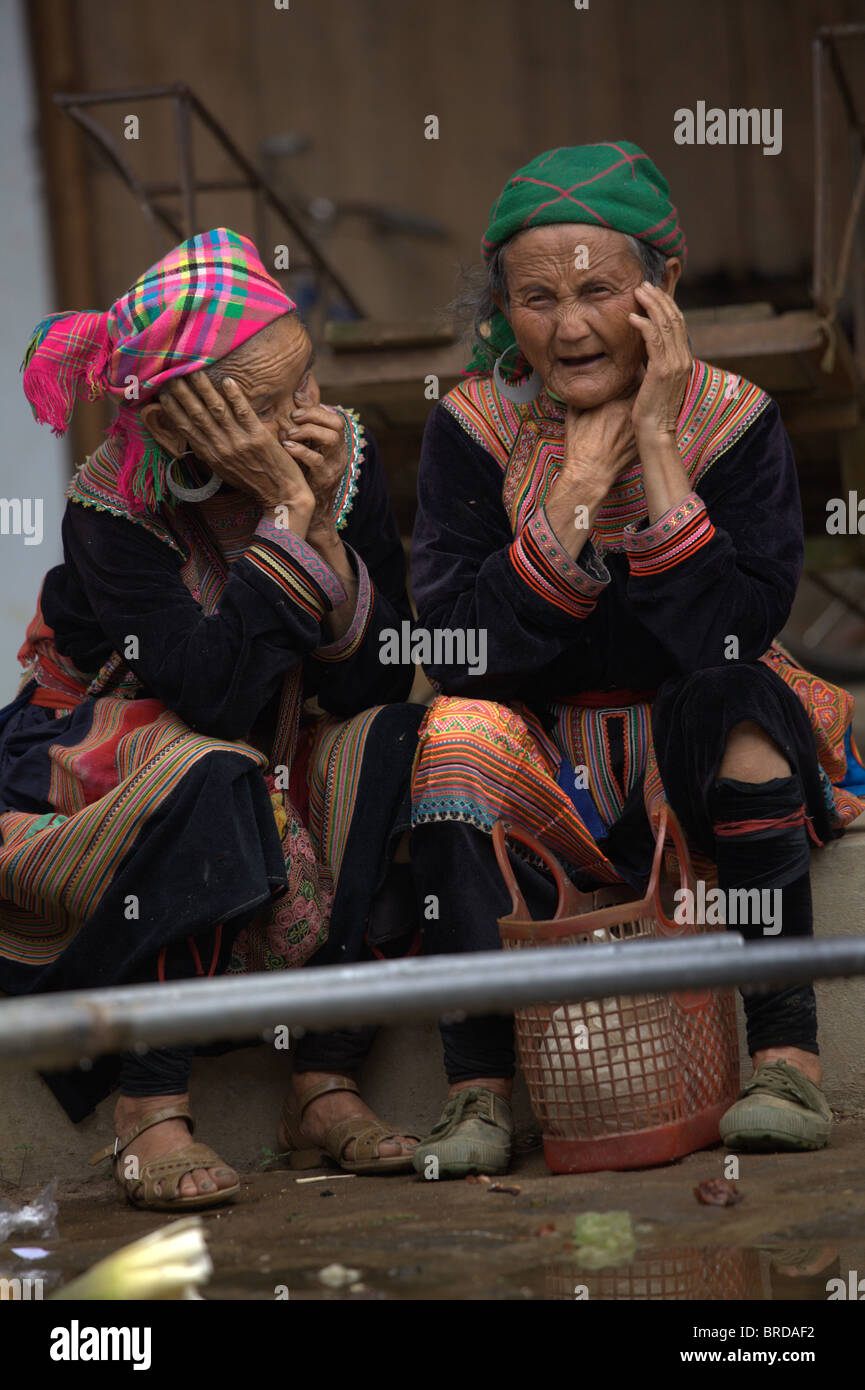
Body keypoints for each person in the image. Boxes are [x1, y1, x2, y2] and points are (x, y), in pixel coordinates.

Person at [408, 142, 865, 1177]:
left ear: (663, 287)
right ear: (501, 311)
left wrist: (655, 444)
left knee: (742, 699)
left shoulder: (736, 422)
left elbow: (729, 632)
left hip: (685, 743)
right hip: (544, 761)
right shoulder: (471, 431)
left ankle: (785, 1060)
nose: (567, 326)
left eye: (597, 290)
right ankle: (474, 1092)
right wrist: (575, 487)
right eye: (533, 297)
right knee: (449, 734)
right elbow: (461, 649)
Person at [1, 226, 422, 1210]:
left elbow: (372, 686)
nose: (306, 419)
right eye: (266, 407)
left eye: (305, 385)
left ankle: (323, 1079)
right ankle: (150, 1108)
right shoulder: (113, 511)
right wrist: (284, 510)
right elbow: (210, 693)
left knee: (400, 745)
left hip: (251, 746)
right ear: (181, 425)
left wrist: (318, 521)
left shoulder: (336, 460)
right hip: (98, 755)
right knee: (216, 773)